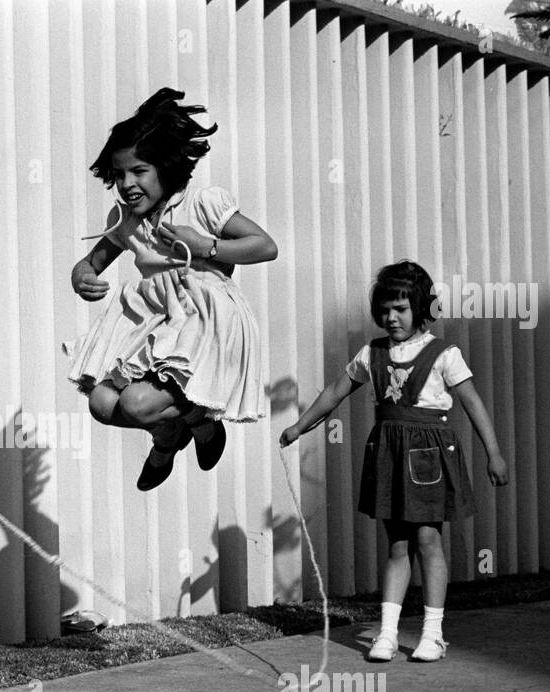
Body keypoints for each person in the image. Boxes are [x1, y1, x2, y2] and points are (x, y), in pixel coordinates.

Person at [280, 260, 508, 662]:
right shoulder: (372, 353)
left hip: (428, 457)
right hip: (388, 452)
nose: (391, 317)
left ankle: (432, 633)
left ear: (420, 308)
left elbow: (472, 403)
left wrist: (494, 454)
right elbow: (335, 391)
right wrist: (300, 426)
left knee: (427, 539)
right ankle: (386, 633)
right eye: (385, 309)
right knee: (398, 544)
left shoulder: (443, 354)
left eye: (400, 309)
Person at [64, 88, 277, 491]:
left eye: (139, 171)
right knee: (101, 403)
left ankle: (184, 433)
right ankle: (178, 430)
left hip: (205, 320)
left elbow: (265, 246)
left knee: (136, 402)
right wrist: (81, 275)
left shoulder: (201, 203)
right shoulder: (126, 220)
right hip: (157, 320)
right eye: (120, 173)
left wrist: (206, 246)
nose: (127, 184)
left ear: (165, 166)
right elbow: (92, 262)